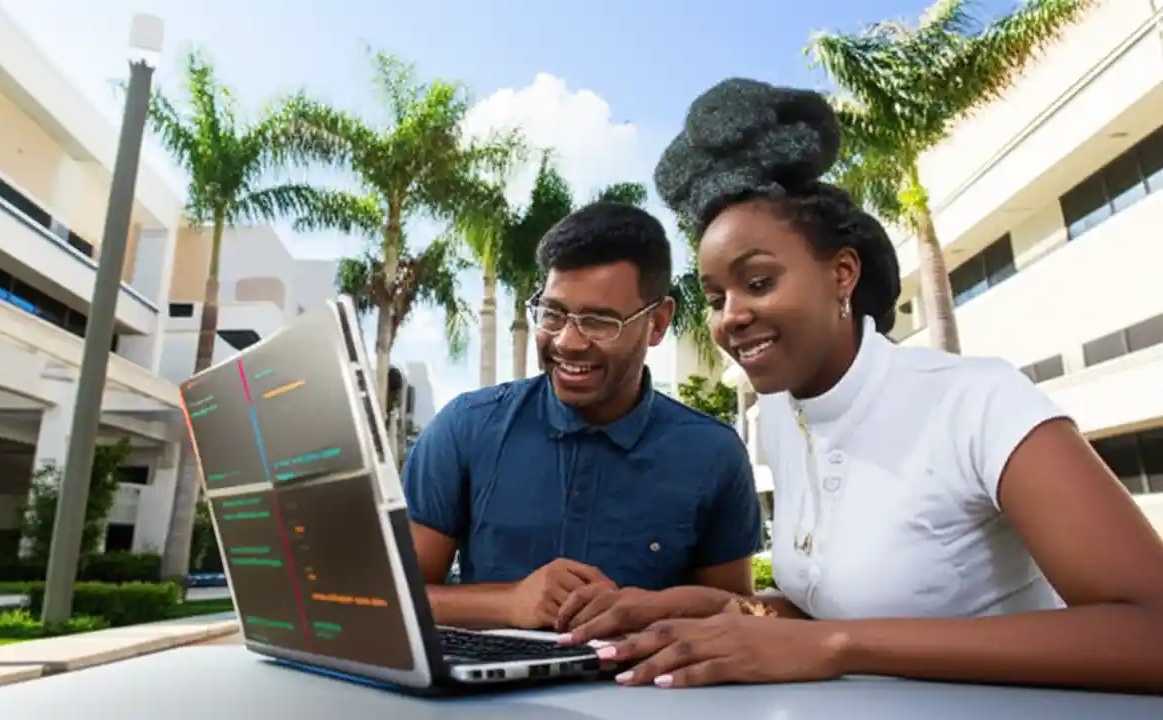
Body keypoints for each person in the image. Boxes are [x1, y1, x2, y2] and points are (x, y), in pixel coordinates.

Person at [556, 77, 1163, 694]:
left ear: (842, 273)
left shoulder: (977, 401)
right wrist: (698, 608)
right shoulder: (780, 416)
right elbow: (827, 613)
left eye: (759, 282)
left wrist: (835, 645)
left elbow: (1150, 632)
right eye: (715, 298)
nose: (731, 315)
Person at [401, 201, 764, 630]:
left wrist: (650, 609)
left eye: (599, 322)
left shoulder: (712, 455)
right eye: (553, 314)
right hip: (482, 692)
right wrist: (507, 603)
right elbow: (394, 600)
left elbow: (739, 615)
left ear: (658, 323)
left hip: (649, 691)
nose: (568, 342)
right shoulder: (466, 428)